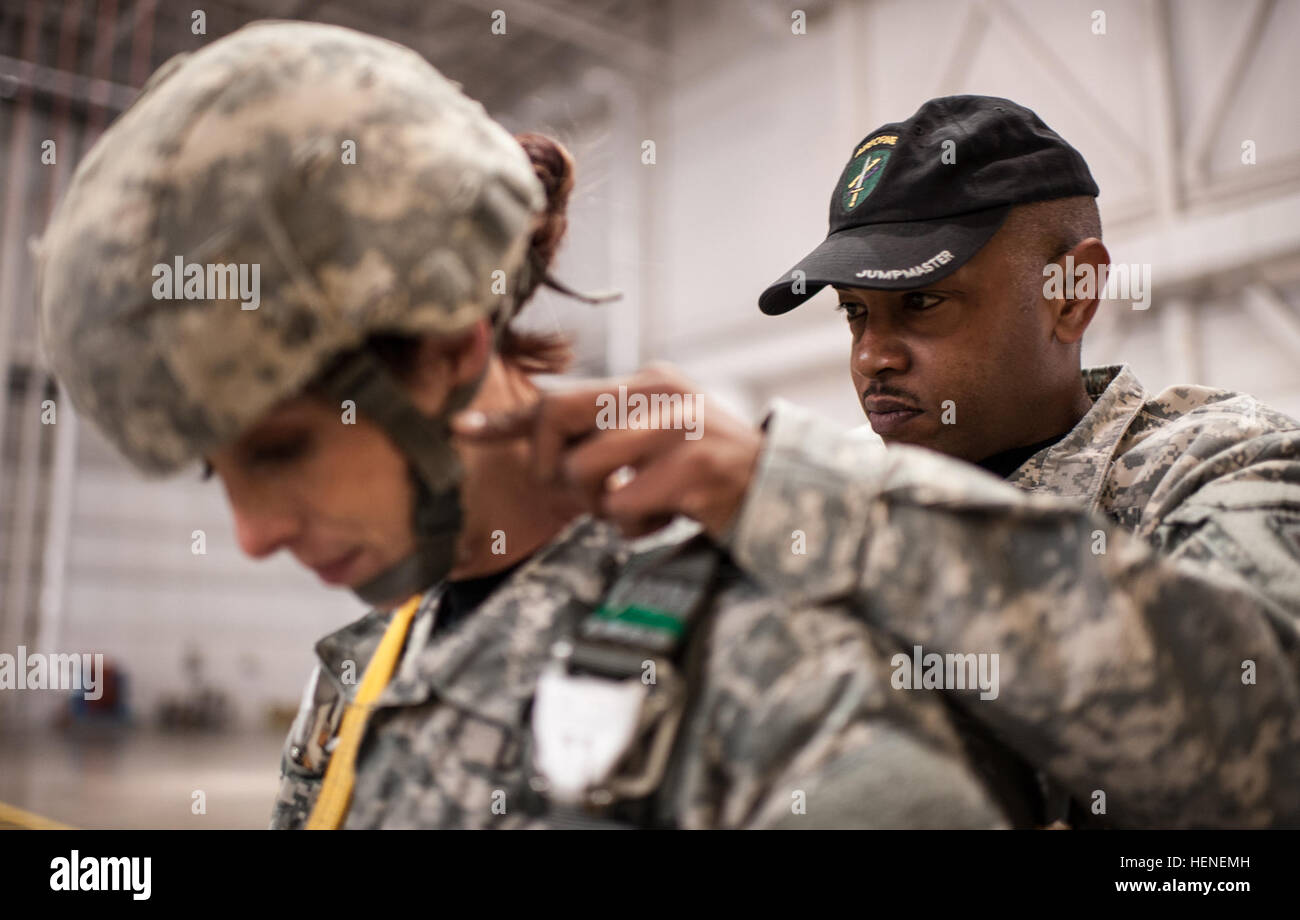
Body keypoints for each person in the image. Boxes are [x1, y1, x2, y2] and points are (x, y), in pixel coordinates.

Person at [37, 23, 1026, 829]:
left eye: (282, 447)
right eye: (218, 473)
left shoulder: (749, 655)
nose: (252, 535)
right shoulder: (365, 667)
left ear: (452, 343)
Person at [461, 96, 1300, 827]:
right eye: (856, 314)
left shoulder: (1220, 464)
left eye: (922, 303)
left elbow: (1266, 745)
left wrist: (792, 493)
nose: (873, 356)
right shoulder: (809, 508)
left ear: (1070, 293)